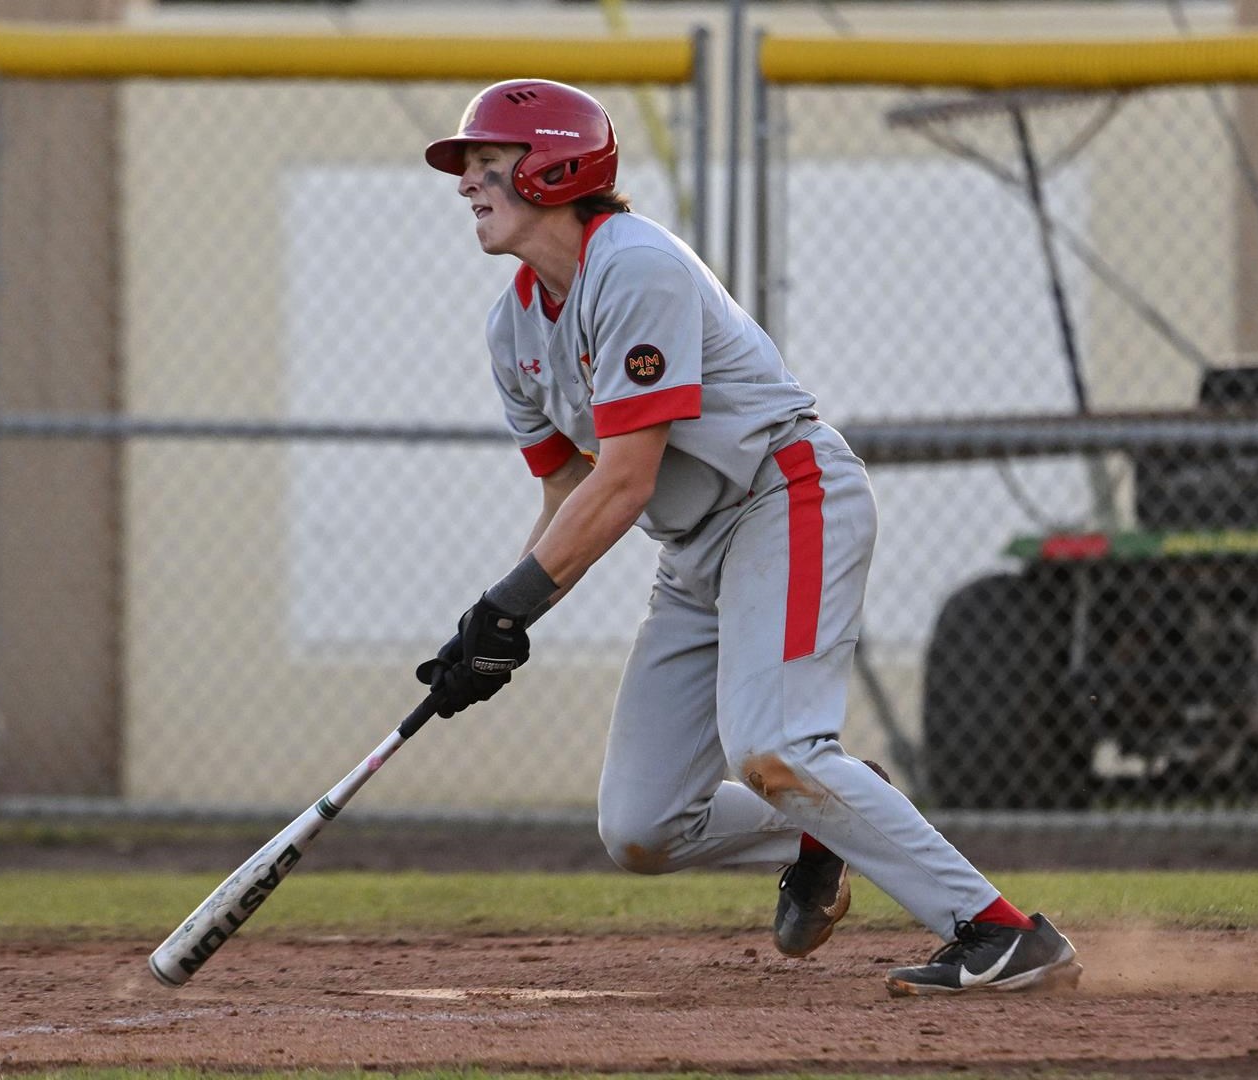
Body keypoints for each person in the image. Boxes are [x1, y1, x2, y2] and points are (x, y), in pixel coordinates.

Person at [416, 78, 1081, 996]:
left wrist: (510, 605)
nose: (466, 185)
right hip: (695, 551)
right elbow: (569, 489)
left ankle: (1002, 934)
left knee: (773, 748)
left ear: (558, 169)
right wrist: (492, 629)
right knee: (643, 828)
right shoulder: (513, 327)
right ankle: (825, 820)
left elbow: (626, 477)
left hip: (785, 495)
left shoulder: (634, 266)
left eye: (488, 165)